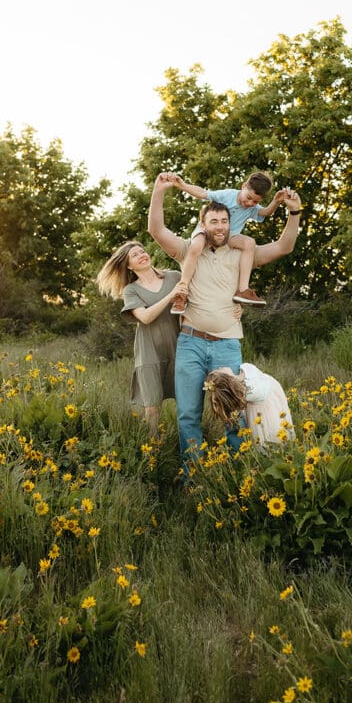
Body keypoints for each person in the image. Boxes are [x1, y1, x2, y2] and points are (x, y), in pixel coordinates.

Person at [147, 173, 303, 475]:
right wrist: (159, 191)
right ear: (203, 225)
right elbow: (156, 230)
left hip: (227, 346)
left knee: (234, 416)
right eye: (213, 222)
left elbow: (284, 247)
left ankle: (235, 478)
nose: (220, 227)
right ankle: (193, 478)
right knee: (188, 416)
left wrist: (293, 212)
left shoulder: (243, 253)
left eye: (224, 221)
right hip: (191, 342)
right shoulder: (187, 250)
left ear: (232, 223)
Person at [163, 170, 290, 314]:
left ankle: (243, 290)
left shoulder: (252, 207)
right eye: (248, 197)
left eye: (255, 201)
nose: (250, 203)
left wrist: (276, 201)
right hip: (208, 230)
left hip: (229, 236)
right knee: (196, 246)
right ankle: (182, 290)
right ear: (243, 187)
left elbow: (265, 213)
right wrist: (183, 185)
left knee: (249, 243)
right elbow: (204, 193)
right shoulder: (228, 195)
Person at [96, 241, 186, 436]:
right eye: (135, 255)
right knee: (152, 407)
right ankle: (153, 453)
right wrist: (171, 296)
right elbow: (145, 317)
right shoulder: (131, 290)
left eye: (142, 251)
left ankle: (187, 446)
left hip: (178, 348)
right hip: (149, 353)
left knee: (186, 403)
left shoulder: (174, 276)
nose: (142, 255)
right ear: (129, 266)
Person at [204, 364, 296, 447]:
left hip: (273, 401)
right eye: (221, 371)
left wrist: (233, 377)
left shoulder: (241, 382)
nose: (220, 367)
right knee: (273, 441)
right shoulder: (248, 390)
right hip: (268, 415)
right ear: (229, 379)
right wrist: (233, 377)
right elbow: (249, 372)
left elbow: (247, 370)